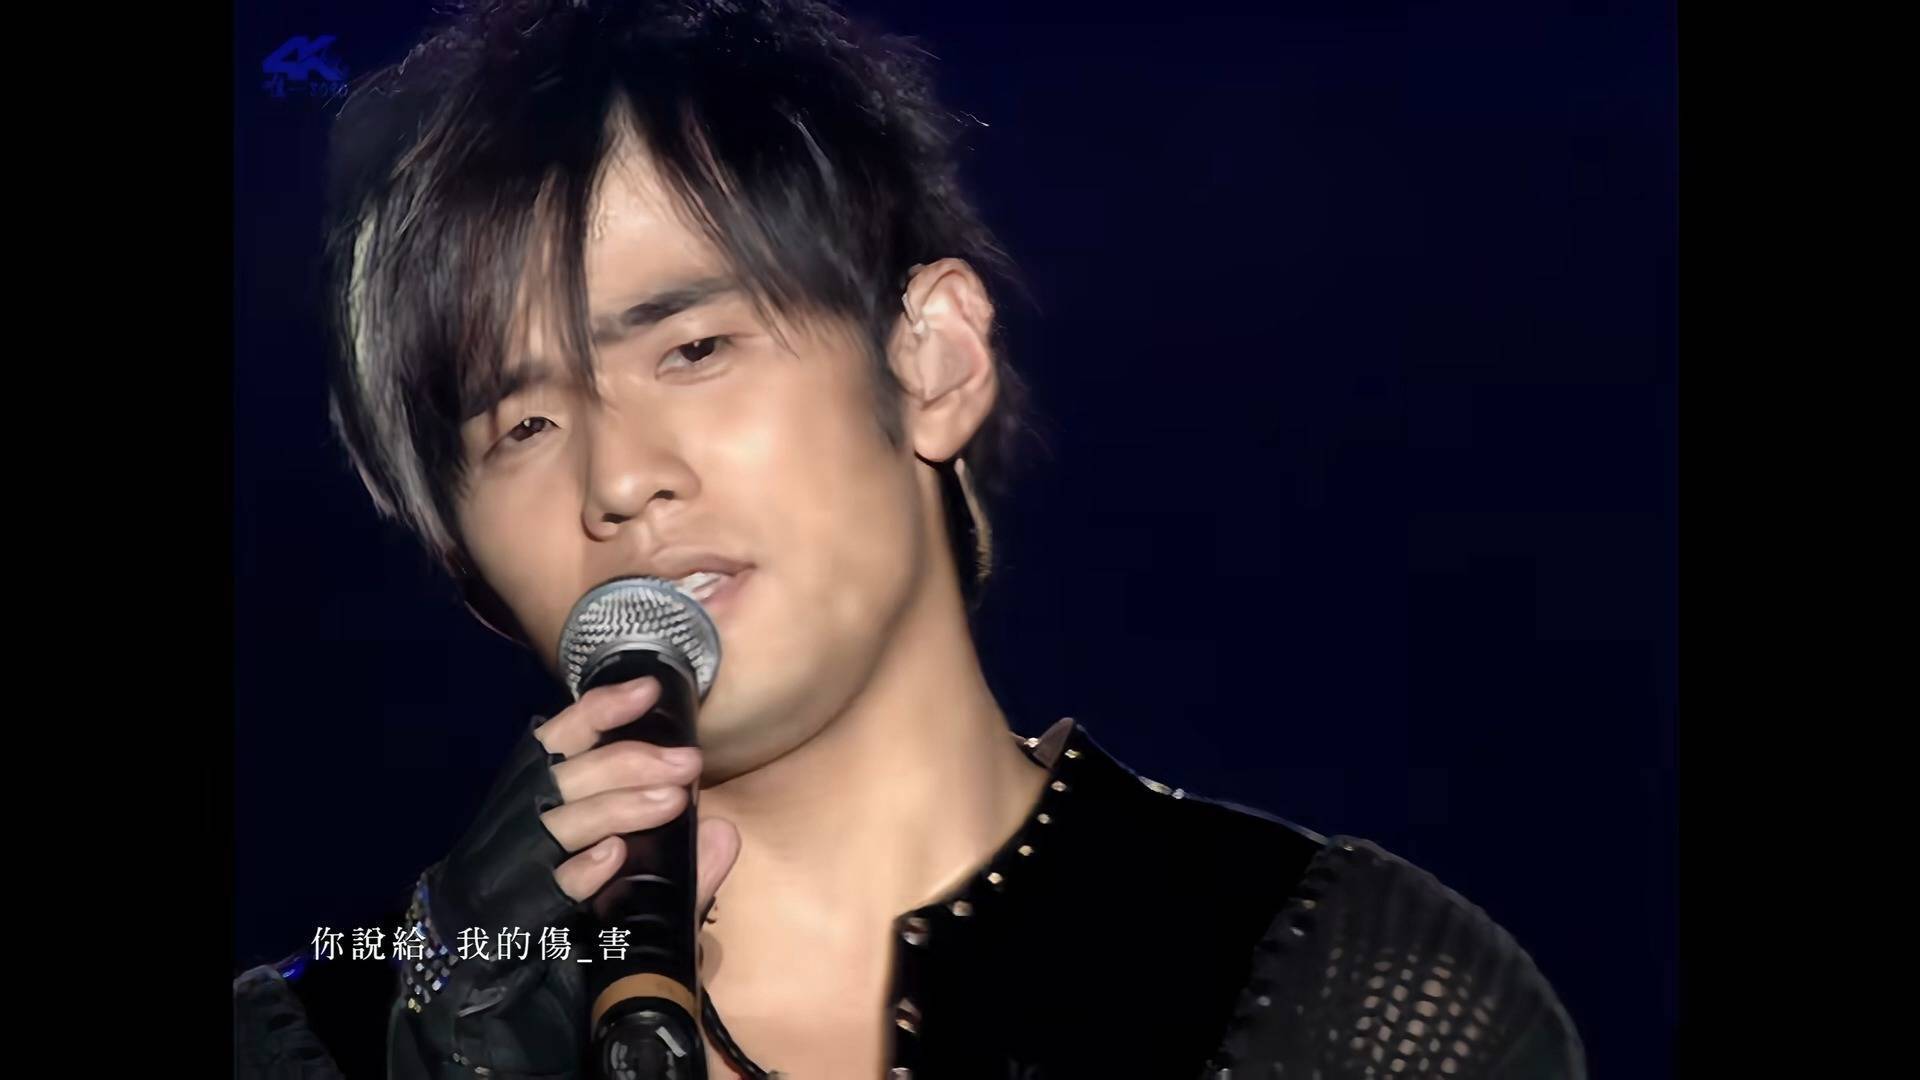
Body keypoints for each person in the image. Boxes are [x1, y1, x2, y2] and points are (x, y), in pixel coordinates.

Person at [233, 1, 1587, 1077]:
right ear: (463, 559)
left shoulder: (1333, 983)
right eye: (523, 425)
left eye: (695, 348)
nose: (622, 479)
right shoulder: (323, 1042)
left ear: (931, 357)